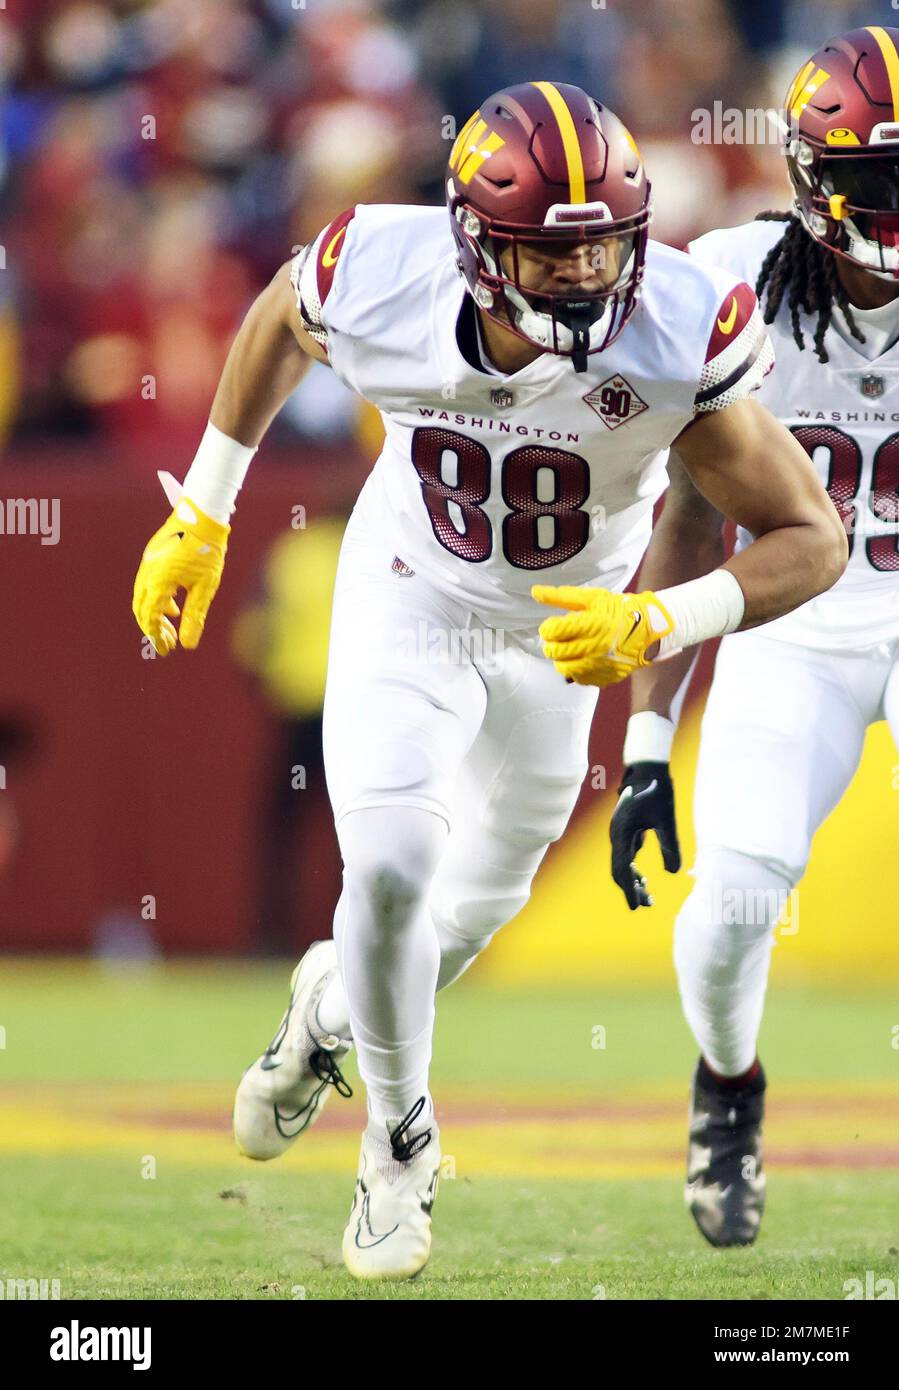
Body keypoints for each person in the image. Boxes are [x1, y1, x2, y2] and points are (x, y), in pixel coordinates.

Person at [132, 81, 845, 1281]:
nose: (579, 280)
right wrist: (205, 505)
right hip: (411, 590)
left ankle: (326, 1015)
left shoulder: (676, 322)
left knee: (447, 920)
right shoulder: (382, 269)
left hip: (568, 637)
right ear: (472, 240)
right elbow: (276, 319)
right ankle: (398, 1146)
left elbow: (808, 535)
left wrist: (661, 618)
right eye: (544, 254)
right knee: (394, 872)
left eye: (601, 250)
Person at [610, 26, 899, 1248]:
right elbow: (684, 524)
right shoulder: (727, 281)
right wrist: (640, 737)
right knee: (728, 902)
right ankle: (727, 1087)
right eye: (883, 180)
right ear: (812, 176)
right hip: (790, 619)